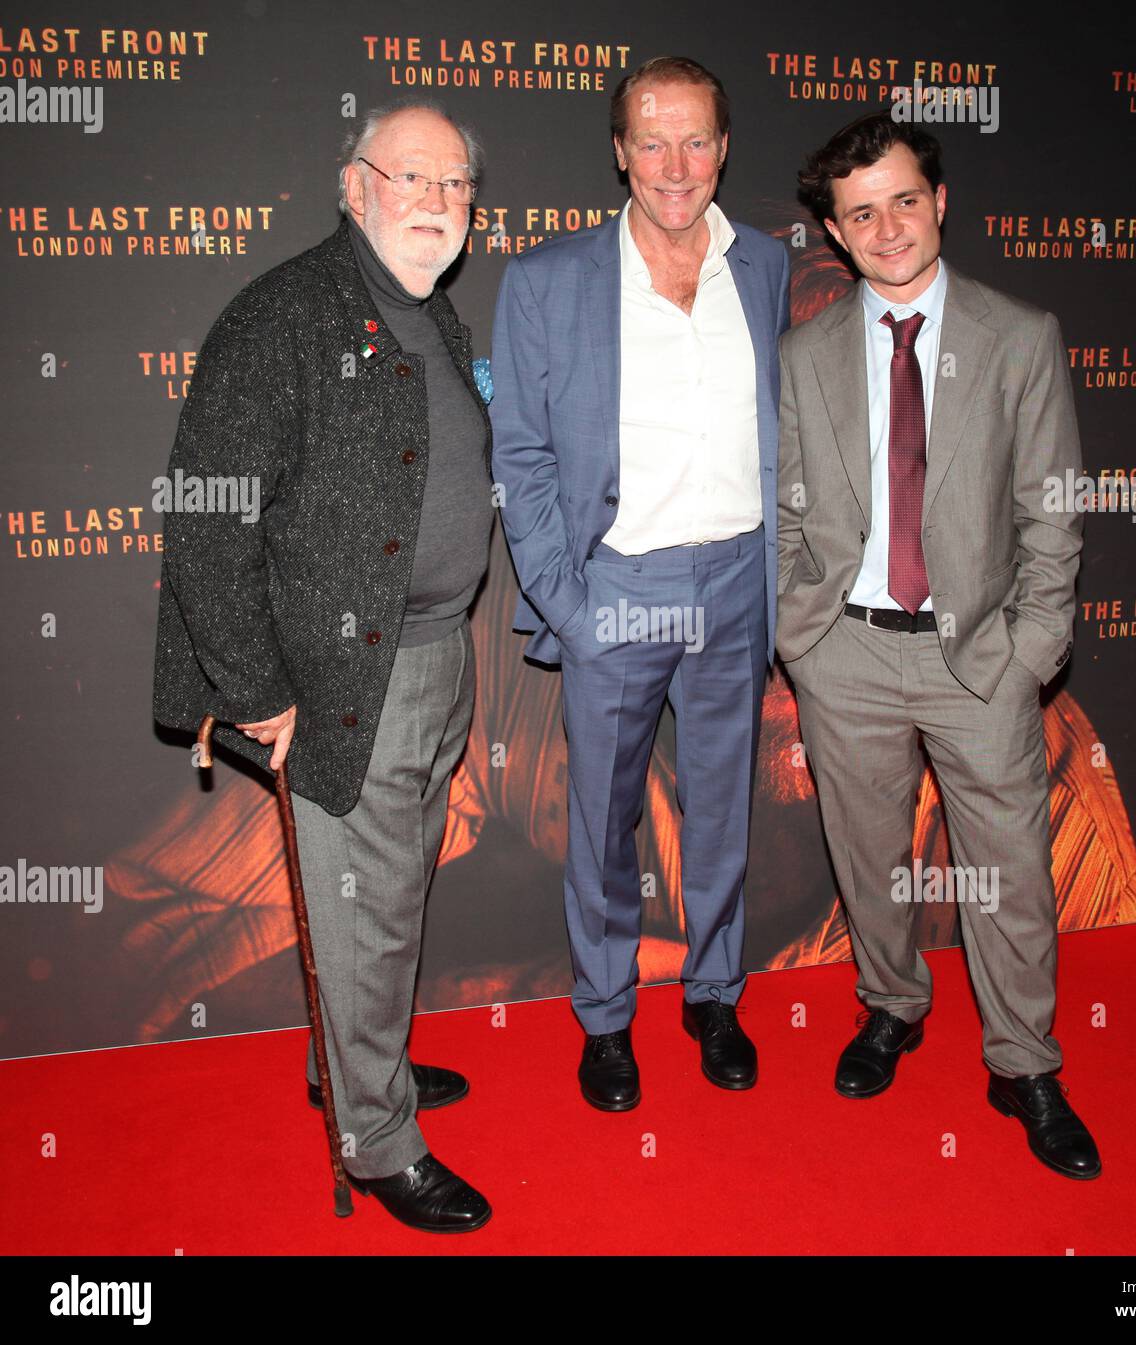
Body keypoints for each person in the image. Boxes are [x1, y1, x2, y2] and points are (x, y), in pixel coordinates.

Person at [152, 97, 496, 1230]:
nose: (437, 206)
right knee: (369, 906)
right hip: (347, 677)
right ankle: (376, 1137)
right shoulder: (282, 317)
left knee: (390, 895)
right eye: (412, 179)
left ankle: (354, 1068)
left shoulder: (427, 311)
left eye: (455, 187)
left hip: (438, 652)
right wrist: (255, 691)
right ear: (354, 187)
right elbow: (206, 523)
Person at [777, 111, 1101, 1179]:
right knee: (869, 859)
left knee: (1005, 872)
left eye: (903, 201)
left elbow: (1052, 511)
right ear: (833, 229)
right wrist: (803, 638)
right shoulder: (805, 352)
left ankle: (1023, 1064)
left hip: (980, 657)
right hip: (848, 655)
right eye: (860, 212)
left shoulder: (1019, 335)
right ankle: (891, 1007)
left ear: (940, 202)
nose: (887, 227)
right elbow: (785, 512)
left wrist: (1030, 651)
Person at [489, 56, 790, 1109]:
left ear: (723, 148)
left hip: (737, 576)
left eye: (697, 139)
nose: (676, 164)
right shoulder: (546, 280)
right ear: (619, 151)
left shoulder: (762, 266)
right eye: (652, 140)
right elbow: (520, 458)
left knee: (720, 810)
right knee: (603, 820)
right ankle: (607, 1017)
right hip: (614, 585)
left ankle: (713, 993)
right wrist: (570, 608)